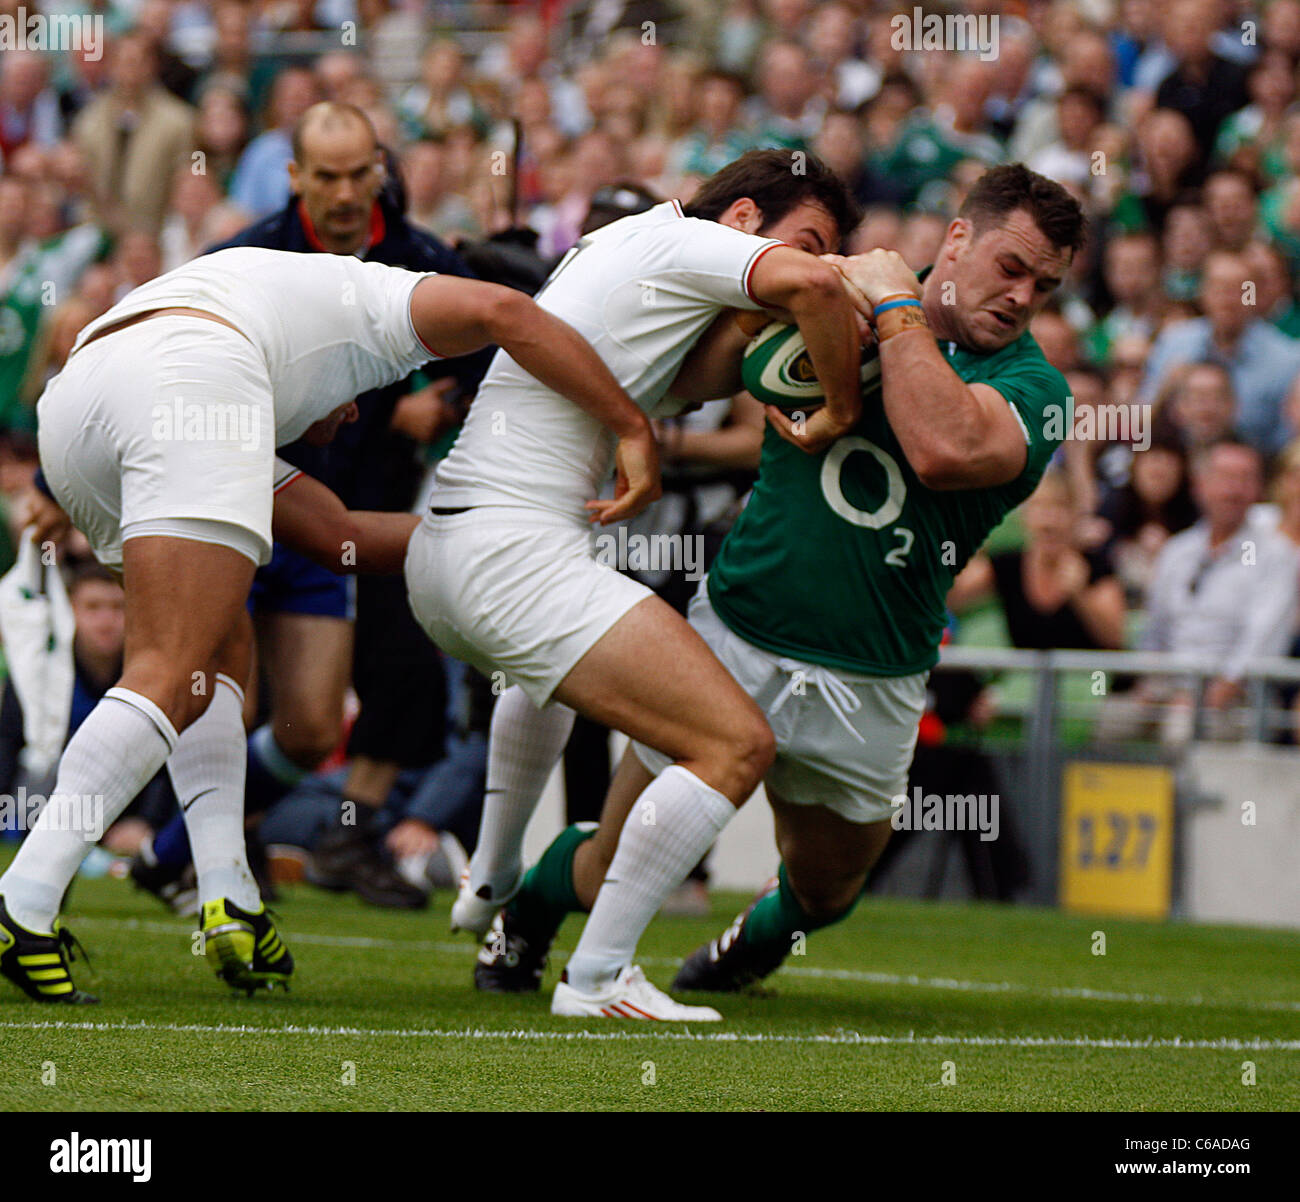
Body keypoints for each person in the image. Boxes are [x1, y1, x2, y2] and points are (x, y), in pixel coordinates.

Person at [470, 163, 1082, 1015]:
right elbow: (739, 371)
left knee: (828, 889)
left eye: (1044, 286)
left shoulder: (1041, 391)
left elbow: (943, 446)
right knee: (614, 855)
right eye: (1010, 267)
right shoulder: (840, 291)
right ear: (957, 239)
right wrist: (827, 299)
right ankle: (528, 915)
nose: (1021, 296)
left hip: (875, 673)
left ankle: (745, 941)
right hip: (740, 631)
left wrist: (896, 312)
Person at [0, 244, 659, 1005]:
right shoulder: (375, 311)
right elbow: (505, 310)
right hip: (188, 373)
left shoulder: (275, 335)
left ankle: (228, 898)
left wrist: (510, 547)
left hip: (83, 404)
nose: (348, 415)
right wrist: (630, 427)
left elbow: (337, 534)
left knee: (217, 654)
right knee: (172, 668)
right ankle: (25, 899)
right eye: (353, 404)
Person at [411, 148, 863, 1021]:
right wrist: (839, 402)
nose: (817, 258)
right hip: (511, 557)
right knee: (735, 747)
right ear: (740, 220)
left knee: (546, 679)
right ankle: (598, 977)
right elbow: (809, 288)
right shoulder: (683, 242)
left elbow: (696, 375)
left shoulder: (626, 252)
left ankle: (495, 872)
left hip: (452, 550)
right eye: (807, 236)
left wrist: (759, 334)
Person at [1095, 439, 1300, 745]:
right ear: (1200, 485)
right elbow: (1155, 634)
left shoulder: (1277, 556)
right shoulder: (1177, 550)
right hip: (1169, 689)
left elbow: (1260, 648)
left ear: (1257, 489)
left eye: (1245, 479)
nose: (1233, 490)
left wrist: (1209, 698)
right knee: (1110, 721)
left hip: (1237, 702)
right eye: (1225, 478)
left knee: (1181, 731)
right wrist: (1151, 688)